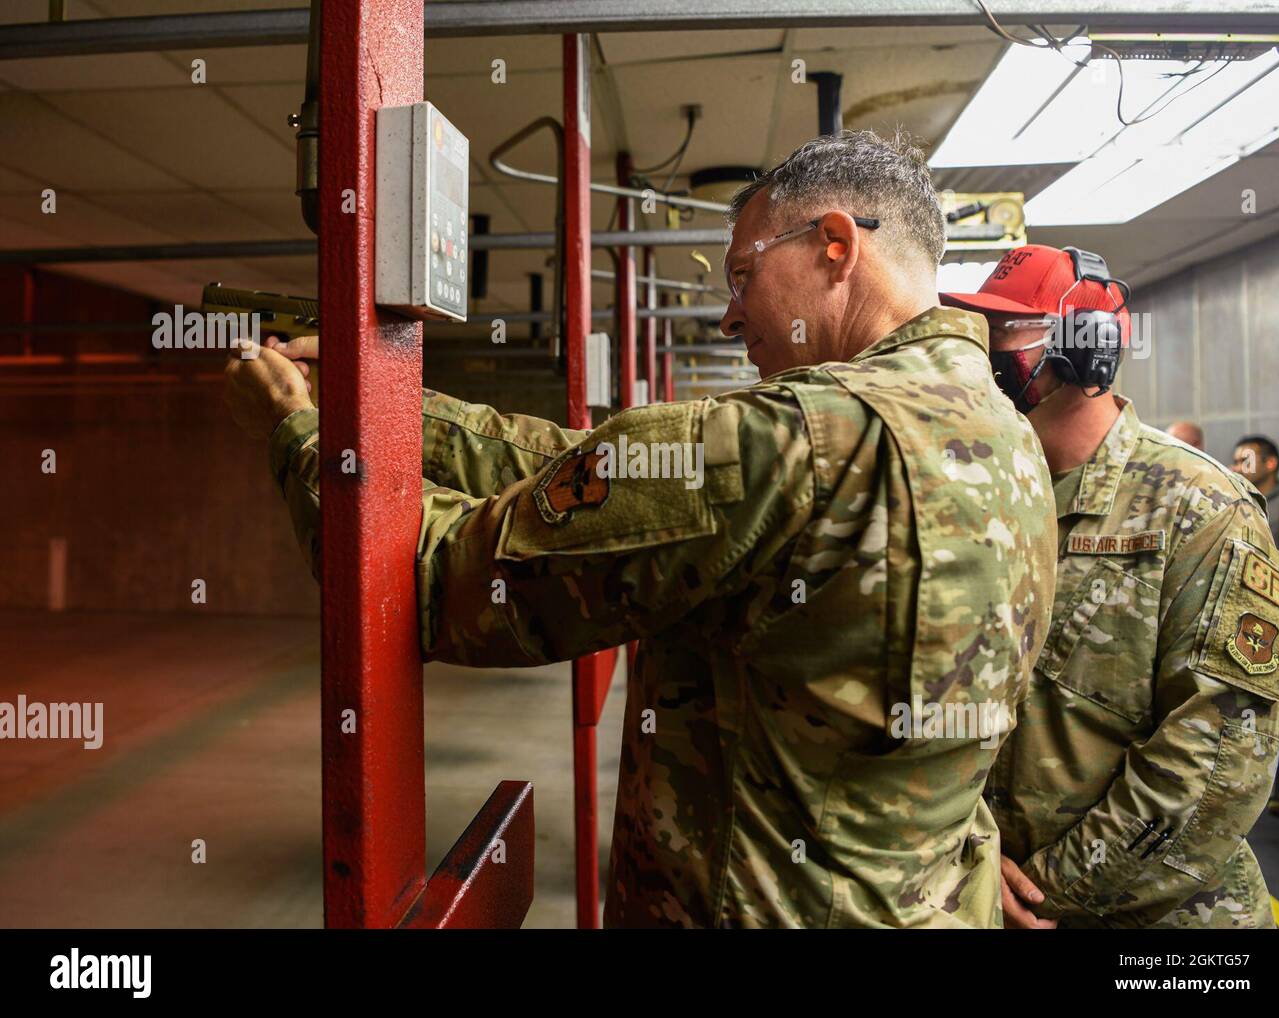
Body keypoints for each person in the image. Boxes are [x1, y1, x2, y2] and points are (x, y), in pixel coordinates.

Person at [225, 129, 1057, 928]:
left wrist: (298, 436)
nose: (731, 318)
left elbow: (432, 580)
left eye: (744, 276)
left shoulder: (794, 438)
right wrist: (394, 412)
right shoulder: (1005, 436)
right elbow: (597, 472)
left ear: (834, 246)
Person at [944, 244, 1279, 929]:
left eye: (1003, 331)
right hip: (996, 895)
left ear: (1087, 350)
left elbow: (1219, 759)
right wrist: (978, 861)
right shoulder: (986, 495)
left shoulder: (1200, 508)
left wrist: (1047, 893)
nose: (980, 352)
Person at [1232, 435, 1279, 555]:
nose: (1237, 468)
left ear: (1270, 463)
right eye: (1236, 462)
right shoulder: (1236, 500)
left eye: (1246, 461)